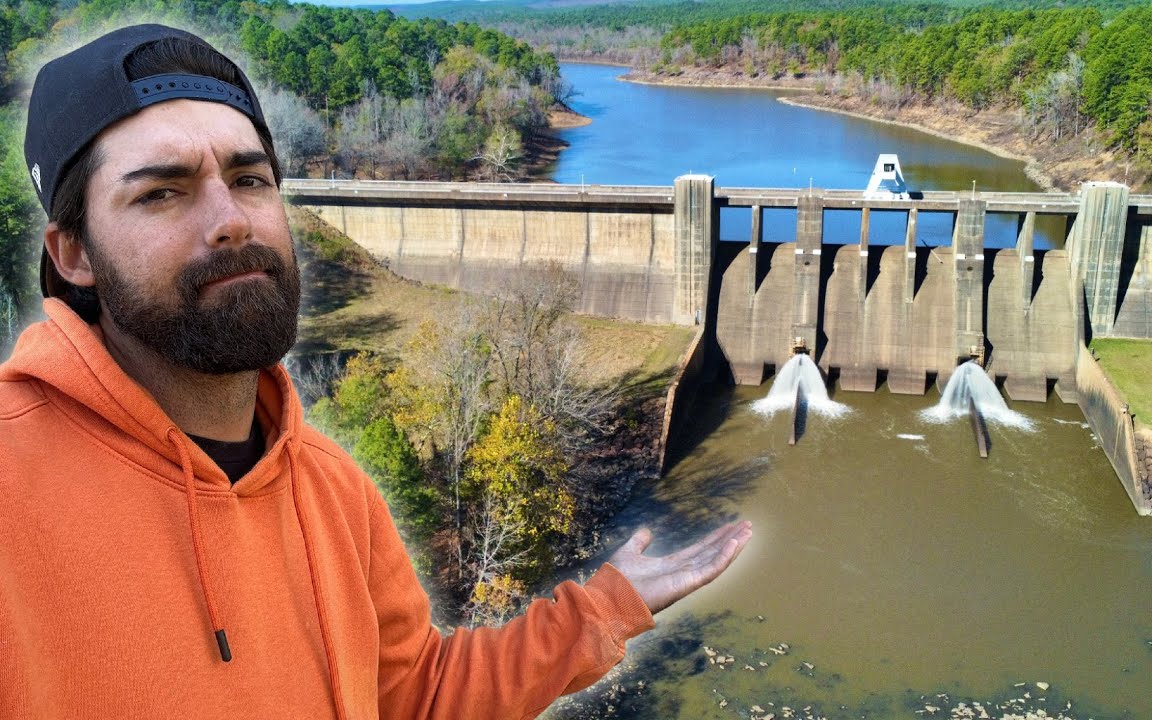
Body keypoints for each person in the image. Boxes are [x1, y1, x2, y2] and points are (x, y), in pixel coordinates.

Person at [0, 24, 752, 719]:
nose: (229, 218)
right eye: (162, 192)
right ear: (74, 254)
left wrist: (600, 613)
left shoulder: (333, 489)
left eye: (251, 179)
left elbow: (415, 695)